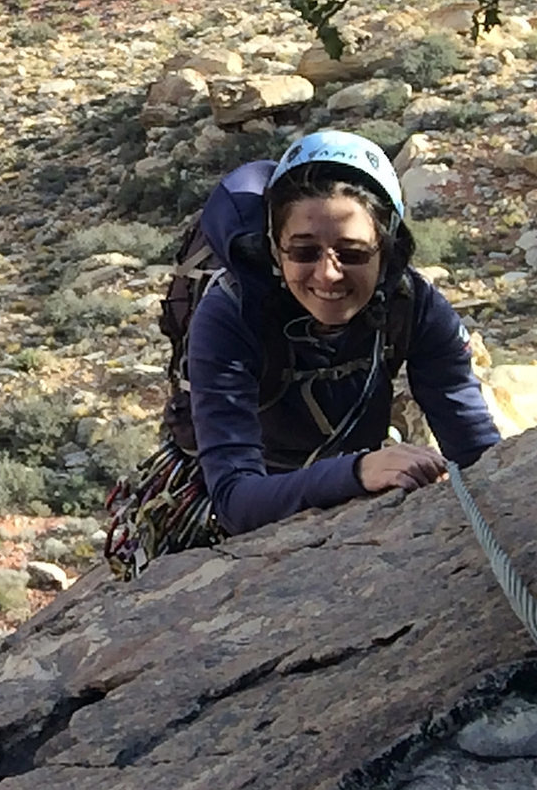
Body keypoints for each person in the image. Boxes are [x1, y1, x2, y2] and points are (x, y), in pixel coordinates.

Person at [186, 130, 501, 536]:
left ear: (386, 250)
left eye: (352, 253)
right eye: (303, 252)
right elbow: (233, 499)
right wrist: (357, 471)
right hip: (268, 494)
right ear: (274, 249)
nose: (328, 274)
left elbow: (473, 443)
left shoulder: (412, 303)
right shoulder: (231, 314)